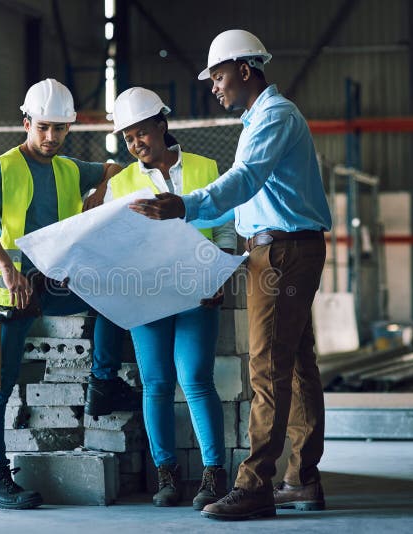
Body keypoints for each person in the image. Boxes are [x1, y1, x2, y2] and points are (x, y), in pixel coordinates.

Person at [129, 30, 332, 521]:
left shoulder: (274, 117)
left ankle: (255, 485)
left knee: (266, 369)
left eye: (218, 77)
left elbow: (244, 181)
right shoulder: (259, 119)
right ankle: (302, 479)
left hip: (282, 253)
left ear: (245, 69)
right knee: (298, 365)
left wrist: (185, 205)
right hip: (280, 251)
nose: (214, 87)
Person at [0, 78, 136, 510]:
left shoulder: (69, 169)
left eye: (60, 129)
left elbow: (117, 170)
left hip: (51, 282)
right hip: (3, 292)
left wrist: (98, 191)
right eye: (43, 127)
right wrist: (6, 269)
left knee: (112, 297)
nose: (51, 137)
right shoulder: (1, 168)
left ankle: (103, 383)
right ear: (26, 122)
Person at [103, 87, 237, 510]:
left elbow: (225, 227)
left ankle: (214, 474)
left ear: (161, 125)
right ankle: (167, 473)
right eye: (127, 138)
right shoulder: (122, 182)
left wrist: (220, 271)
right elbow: (113, 241)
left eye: (140, 132)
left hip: (198, 290)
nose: (135, 143)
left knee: (196, 379)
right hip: (146, 294)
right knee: (157, 384)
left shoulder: (205, 167)